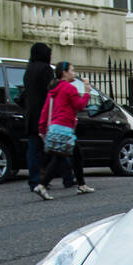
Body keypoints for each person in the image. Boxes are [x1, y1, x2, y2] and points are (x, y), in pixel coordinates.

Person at [36, 62, 94, 198]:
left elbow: (45, 110)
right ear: (64, 73)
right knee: (59, 157)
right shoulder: (69, 88)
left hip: (55, 127)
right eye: (72, 70)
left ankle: (81, 185)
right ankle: (42, 185)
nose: (74, 73)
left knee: (77, 155)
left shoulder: (54, 89)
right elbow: (79, 105)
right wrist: (86, 93)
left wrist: (42, 129)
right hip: (65, 128)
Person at [22, 42, 52, 194]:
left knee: (33, 150)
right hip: (44, 114)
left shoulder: (28, 70)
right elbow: (50, 92)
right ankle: (62, 177)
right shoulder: (45, 69)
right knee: (52, 148)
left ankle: (35, 179)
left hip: (31, 115)